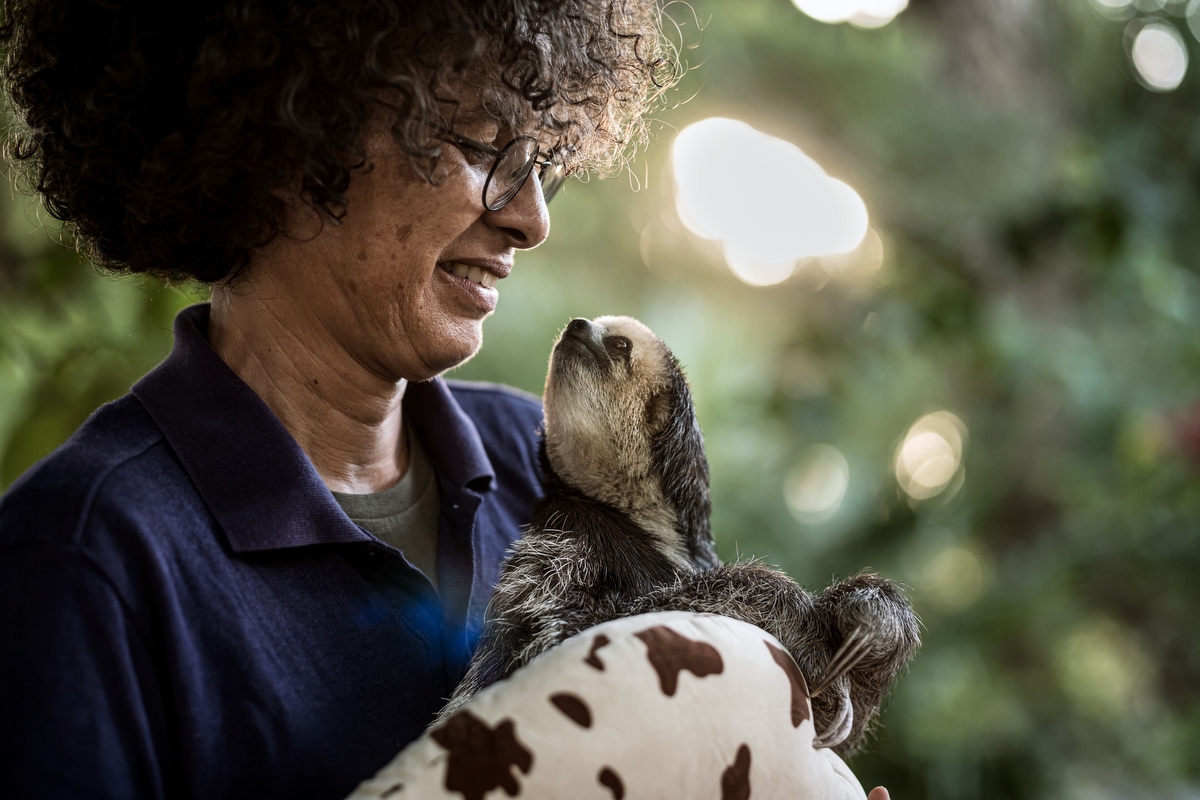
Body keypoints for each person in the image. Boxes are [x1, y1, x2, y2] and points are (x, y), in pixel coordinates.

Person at [0, 1, 893, 798]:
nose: (531, 218)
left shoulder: (543, 457)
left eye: (541, 156)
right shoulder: (85, 560)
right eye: (479, 147)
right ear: (290, 130)